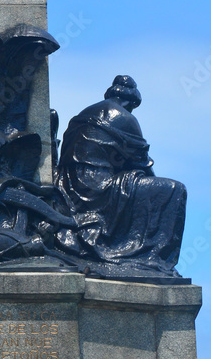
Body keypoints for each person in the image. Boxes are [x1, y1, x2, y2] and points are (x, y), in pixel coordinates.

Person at [56, 75, 187, 275]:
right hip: (98, 189)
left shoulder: (85, 113)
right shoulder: (124, 118)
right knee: (173, 190)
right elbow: (142, 163)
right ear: (132, 102)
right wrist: (152, 191)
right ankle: (151, 257)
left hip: (69, 185)